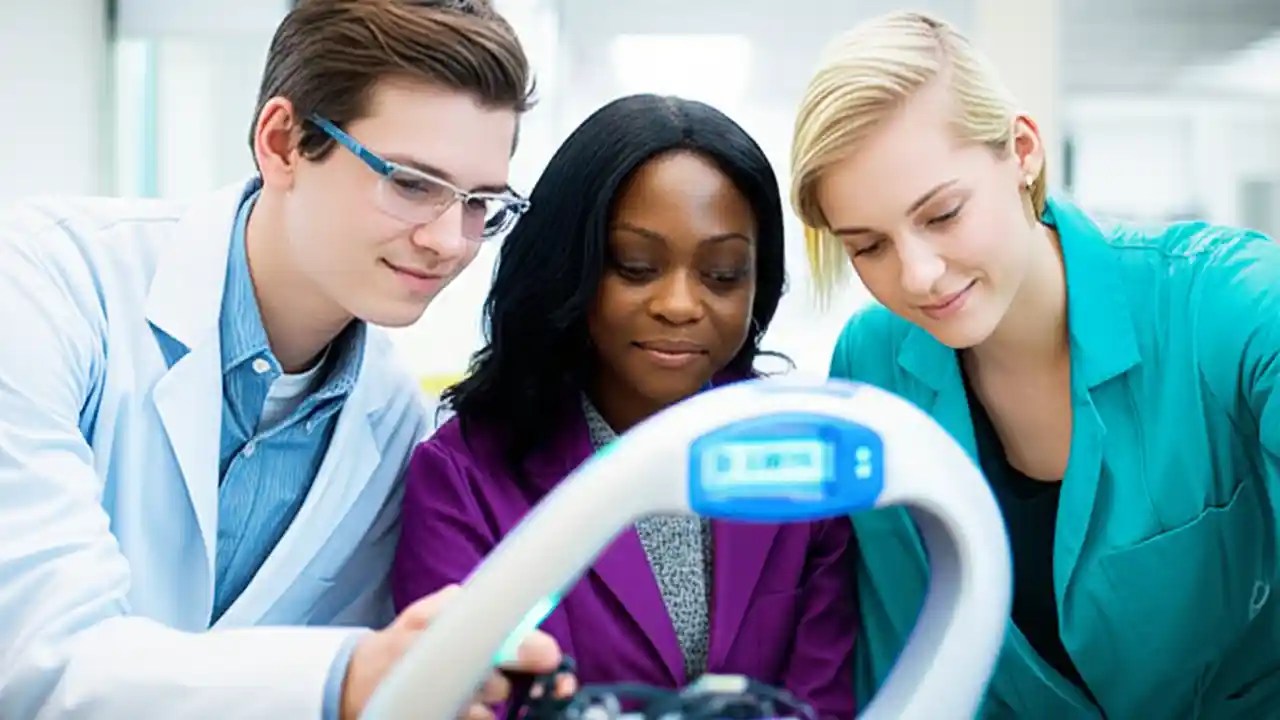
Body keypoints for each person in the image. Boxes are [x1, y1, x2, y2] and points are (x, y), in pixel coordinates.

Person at [0, 1, 572, 718]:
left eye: (479, 203)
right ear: (281, 142)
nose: (450, 242)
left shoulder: (393, 417)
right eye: (412, 183)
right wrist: (349, 678)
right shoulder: (46, 284)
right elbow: (35, 657)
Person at [788, 9, 1280, 720]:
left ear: (1022, 152)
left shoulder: (1230, 307)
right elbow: (911, 672)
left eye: (943, 214)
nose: (919, 275)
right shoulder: (871, 365)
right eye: (869, 247)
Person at [391, 93, 858, 718]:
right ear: (569, 268)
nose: (680, 304)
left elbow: (826, 700)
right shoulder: (461, 480)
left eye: (722, 275)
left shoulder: (806, 461)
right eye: (636, 267)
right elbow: (457, 700)